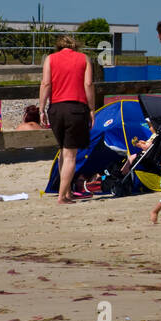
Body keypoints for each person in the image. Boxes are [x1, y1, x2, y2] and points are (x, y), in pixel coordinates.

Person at [40, 34, 95, 205]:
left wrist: (41, 108)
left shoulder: (50, 59)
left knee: (63, 151)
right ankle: (62, 196)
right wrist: (92, 108)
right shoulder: (83, 59)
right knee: (71, 155)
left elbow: (45, 84)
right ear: (75, 47)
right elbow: (88, 84)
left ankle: (68, 191)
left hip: (56, 108)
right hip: (76, 108)